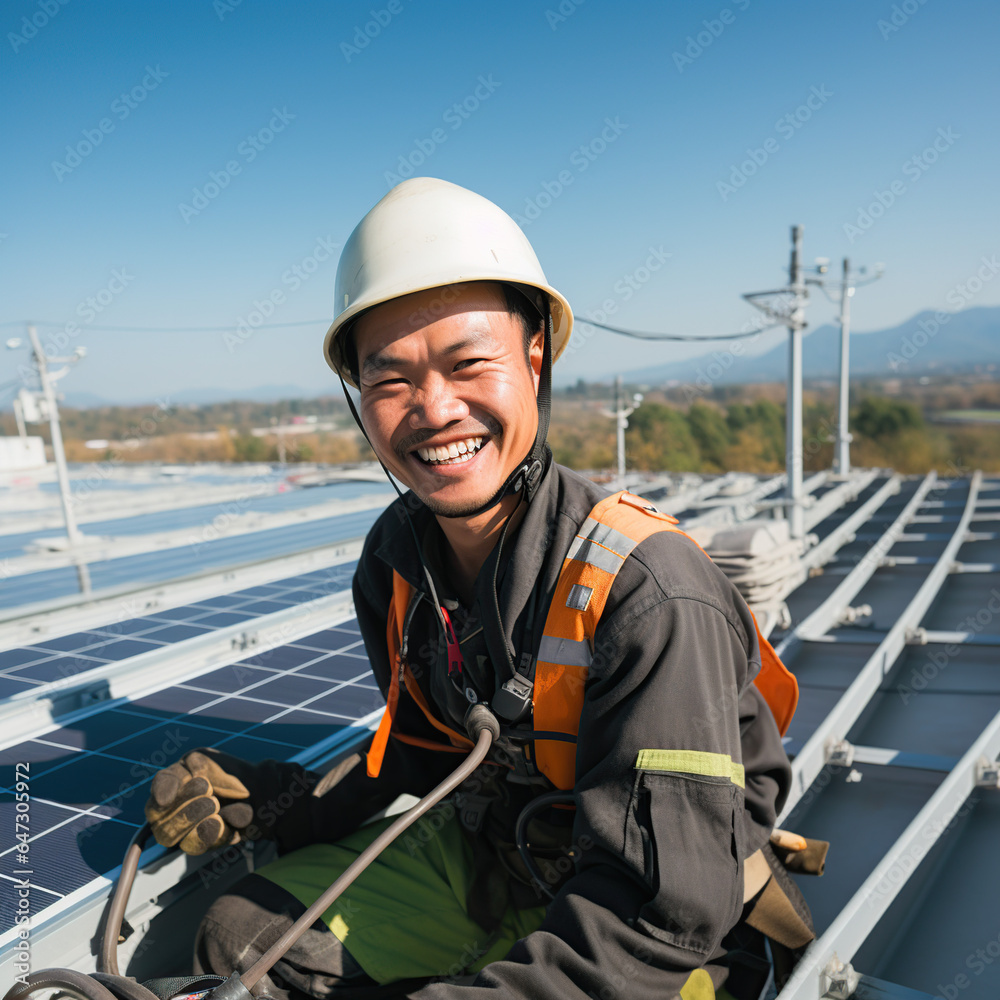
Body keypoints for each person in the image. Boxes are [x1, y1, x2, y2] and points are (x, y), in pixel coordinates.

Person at [145, 177, 813, 999]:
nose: (433, 409)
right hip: (502, 860)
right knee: (242, 940)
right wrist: (286, 798)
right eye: (390, 381)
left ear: (535, 361)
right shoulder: (398, 563)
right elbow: (429, 753)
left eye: (469, 364)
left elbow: (661, 913)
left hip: (660, 928)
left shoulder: (648, 589)